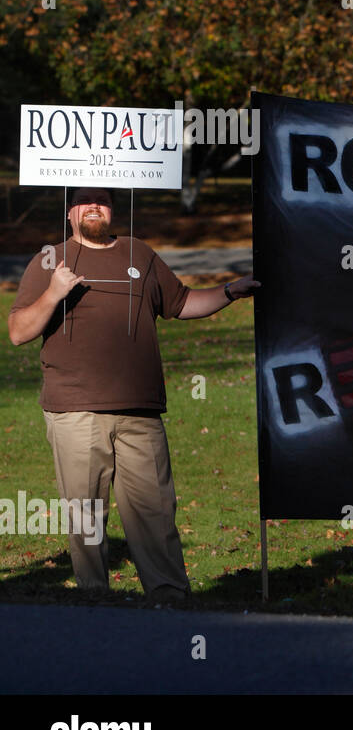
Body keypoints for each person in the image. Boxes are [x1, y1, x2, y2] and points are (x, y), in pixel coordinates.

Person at [7, 186, 259, 604]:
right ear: (70, 213)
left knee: (156, 512)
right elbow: (17, 332)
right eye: (83, 201)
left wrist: (230, 290)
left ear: (112, 210)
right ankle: (95, 599)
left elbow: (181, 303)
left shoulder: (138, 254)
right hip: (75, 411)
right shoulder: (49, 258)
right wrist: (54, 292)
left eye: (101, 200)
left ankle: (170, 598)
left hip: (141, 412)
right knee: (87, 516)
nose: (93, 207)